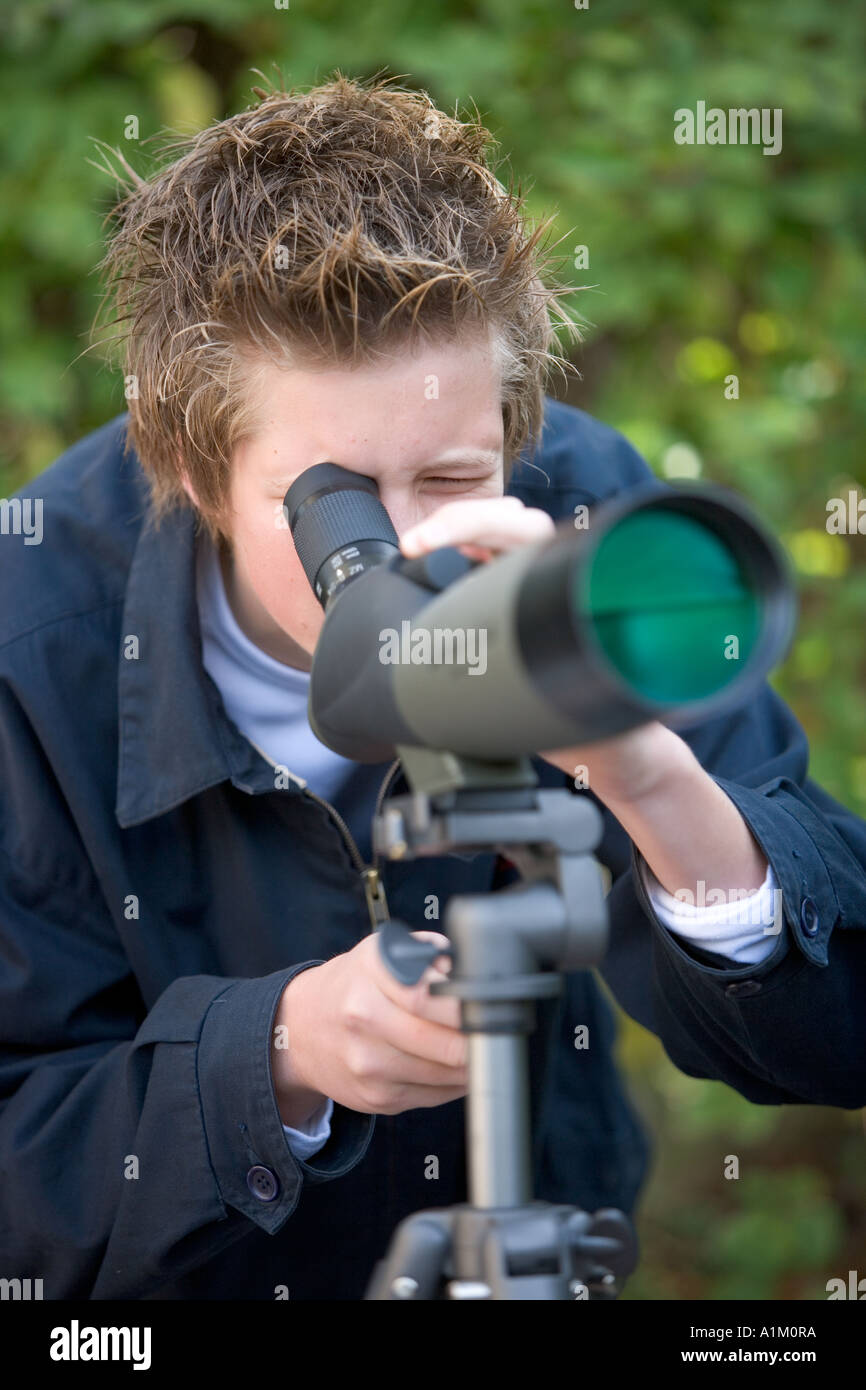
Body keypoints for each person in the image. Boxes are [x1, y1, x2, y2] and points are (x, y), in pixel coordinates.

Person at [0, 76, 863, 1302]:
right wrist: (278, 1058)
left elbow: (835, 1031)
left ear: (518, 433)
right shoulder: (29, 641)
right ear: (191, 469)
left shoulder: (581, 512)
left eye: (456, 479)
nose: (409, 556)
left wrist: (644, 771)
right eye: (333, 504)